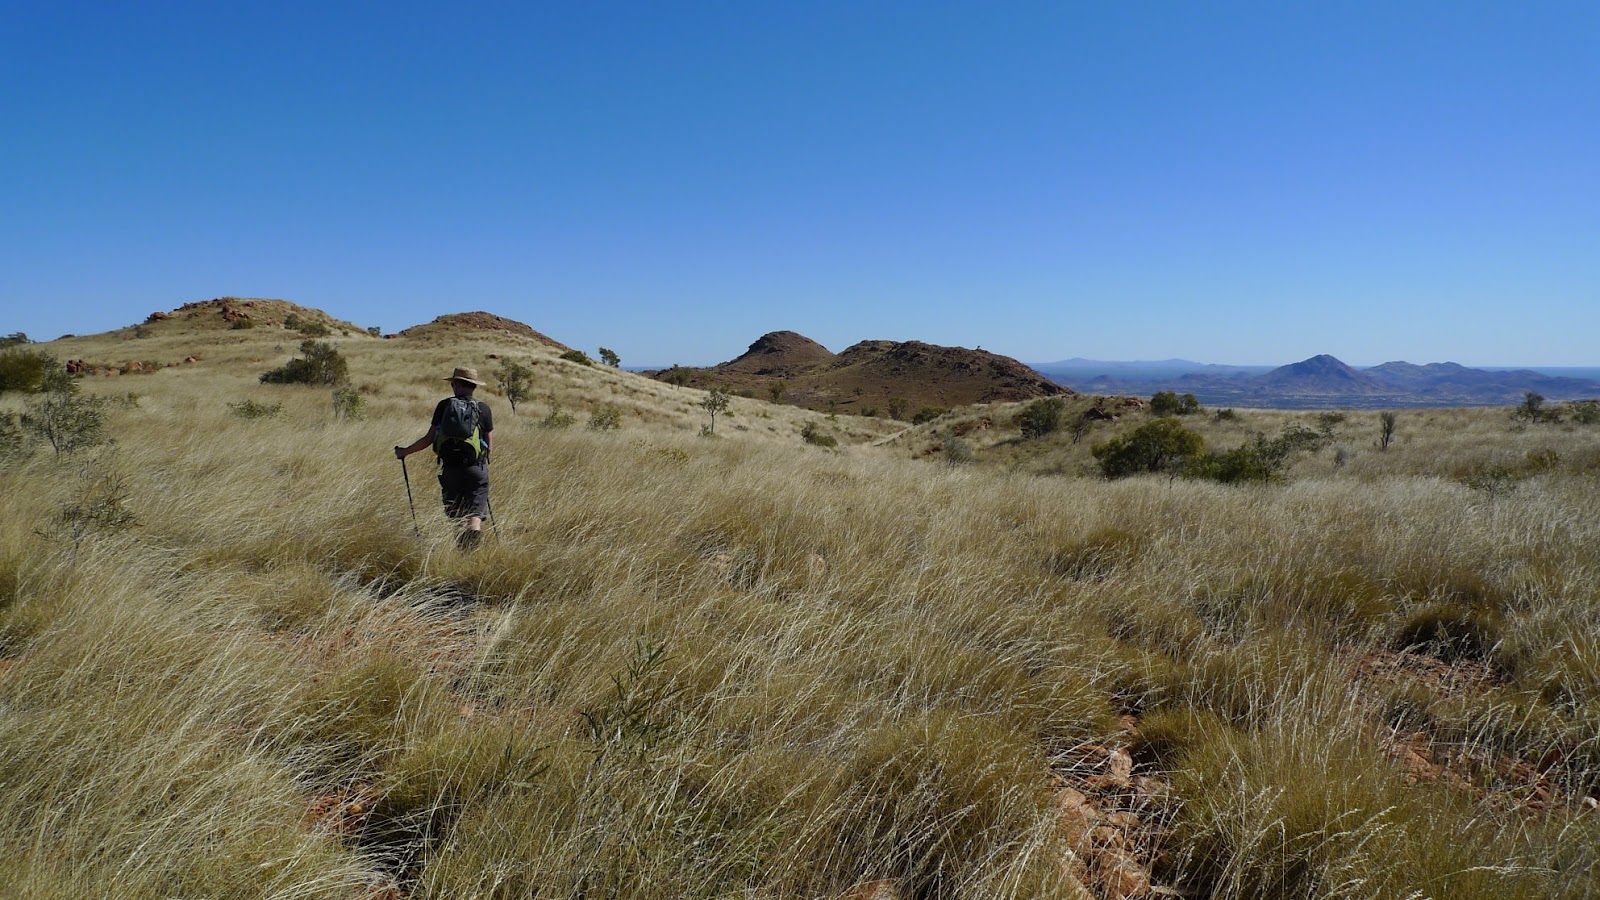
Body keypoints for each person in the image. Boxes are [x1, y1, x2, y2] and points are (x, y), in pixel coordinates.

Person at [395, 367, 495, 549]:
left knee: (456, 514)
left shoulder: (444, 406)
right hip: (476, 469)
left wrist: (405, 452)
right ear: (474, 386)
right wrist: (482, 463)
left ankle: (459, 551)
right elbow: (489, 444)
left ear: (454, 384)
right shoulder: (483, 409)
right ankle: (470, 554)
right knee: (475, 515)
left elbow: (428, 439)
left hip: (450, 469)